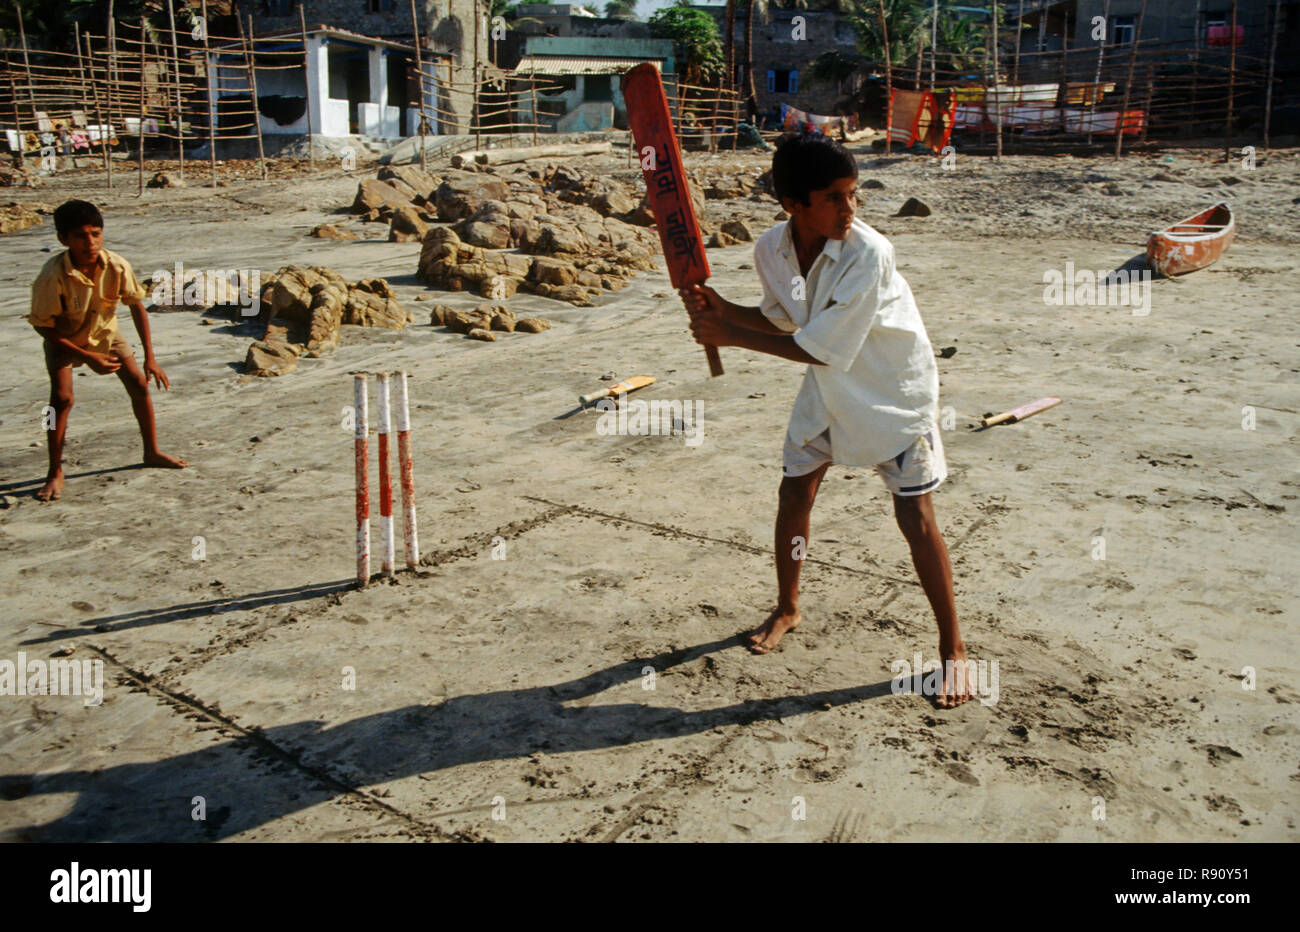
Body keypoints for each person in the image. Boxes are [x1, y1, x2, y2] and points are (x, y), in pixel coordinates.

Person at [679, 133, 971, 707]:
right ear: (793, 204)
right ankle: (788, 607)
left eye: (853, 194)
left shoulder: (868, 253)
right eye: (834, 198)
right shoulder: (772, 251)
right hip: (829, 388)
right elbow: (786, 322)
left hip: (892, 387)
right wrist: (723, 312)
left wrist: (730, 337)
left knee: (914, 515)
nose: (849, 210)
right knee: (794, 494)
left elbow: (822, 347)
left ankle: (954, 649)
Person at [28, 199, 187, 501]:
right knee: (60, 401)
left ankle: (151, 451)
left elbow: (136, 306)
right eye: (80, 236)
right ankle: (54, 471)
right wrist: (86, 356)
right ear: (64, 239)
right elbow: (42, 326)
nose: (90, 242)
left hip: (106, 334)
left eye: (96, 233)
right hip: (63, 337)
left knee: (140, 385)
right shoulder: (52, 276)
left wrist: (150, 358)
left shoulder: (116, 264)